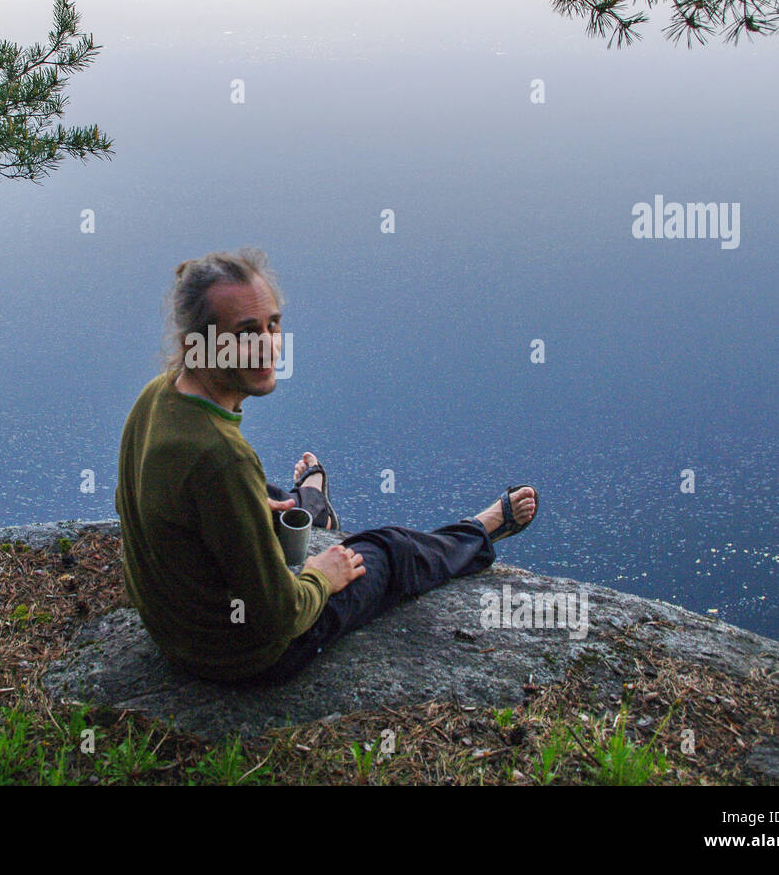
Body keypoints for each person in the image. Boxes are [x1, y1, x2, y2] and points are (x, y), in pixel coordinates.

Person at [115, 248, 538, 684]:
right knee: (390, 550)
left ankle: (312, 502)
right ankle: (480, 532)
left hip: (172, 630)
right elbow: (281, 618)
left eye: (273, 324)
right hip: (238, 655)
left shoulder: (158, 396)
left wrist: (241, 516)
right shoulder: (223, 458)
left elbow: (149, 504)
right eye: (245, 332)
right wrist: (320, 576)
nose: (269, 345)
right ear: (198, 343)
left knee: (275, 500)